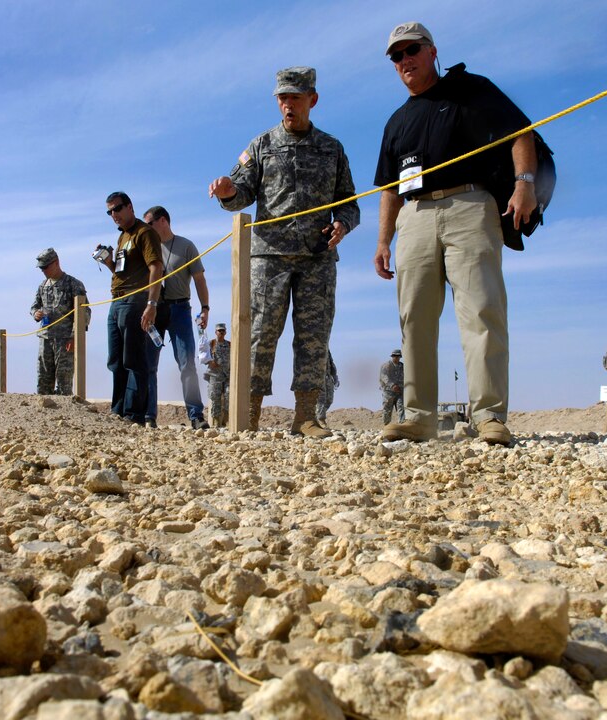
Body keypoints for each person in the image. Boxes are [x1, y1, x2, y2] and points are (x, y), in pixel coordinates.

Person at [373, 22, 537, 446]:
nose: (404, 60)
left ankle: (489, 418)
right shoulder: (396, 121)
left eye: (412, 50)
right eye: (397, 56)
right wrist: (382, 240)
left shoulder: (472, 89)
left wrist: (524, 183)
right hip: (414, 217)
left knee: (481, 309)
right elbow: (389, 188)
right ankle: (420, 417)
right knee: (414, 319)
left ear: (432, 51)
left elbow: (520, 131)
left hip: (469, 205)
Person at [209, 66, 360, 438]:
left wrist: (342, 223)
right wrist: (228, 191)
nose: (288, 104)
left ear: (313, 99)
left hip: (317, 258)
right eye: (282, 97)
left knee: (313, 336)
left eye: (295, 96)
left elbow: (350, 204)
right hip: (269, 258)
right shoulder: (261, 146)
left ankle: (306, 416)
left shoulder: (332, 148)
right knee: (260, 334)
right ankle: (249, 414)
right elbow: (239, 194)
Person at [97, 192, 163, 425]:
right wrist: (108, 263)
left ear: (130, 207)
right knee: (116, 360)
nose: (114, 214)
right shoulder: (123, 237)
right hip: (117, 301)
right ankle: (119, 411)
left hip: (135, 301)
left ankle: (134, 415)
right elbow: (121, 272)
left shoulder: (145, 233)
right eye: (110, 211)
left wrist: (151, 304)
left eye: (117, 208)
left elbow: (156, 268)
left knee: (134, 359)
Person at [142, 206, 210, 429]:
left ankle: (195, 415)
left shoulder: (186, 246)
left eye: (149, 224)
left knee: (187, 363)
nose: (146, 228)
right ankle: (149, 416)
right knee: (149, 364)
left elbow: (200, 279)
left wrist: (205, 308)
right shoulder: (146, 248)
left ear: (163, 221)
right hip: (154, 310)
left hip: (180, 309)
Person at [31, 248, 91, 396]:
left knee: (64, 383)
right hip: (45, 338)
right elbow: (34, 306)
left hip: (65, 340)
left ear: (56, 262)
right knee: (43, 381)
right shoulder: (42, 286)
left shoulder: (73, 284)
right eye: (41, 268)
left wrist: (74, 337)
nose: (43, 271)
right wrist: (35, 313)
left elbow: (84, 313)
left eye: (46, 267)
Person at [205, 322, 231, 427]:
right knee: (215, 397)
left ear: (225, 332)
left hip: (227, 375)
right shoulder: (211, 344)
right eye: (219, 330)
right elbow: (202, 356)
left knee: (229, 395)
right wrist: (210, 361)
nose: (221, 332)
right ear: (216, 332)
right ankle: (216, 420)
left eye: (223, 330)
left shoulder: (229, 344)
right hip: (215, 375)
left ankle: (226, 420)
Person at [380, 349, 406, 425]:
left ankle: (402, 426)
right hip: (389, 392)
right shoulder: (387, 365)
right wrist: (392, 385)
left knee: (401, 408)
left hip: (399, 392)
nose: (396, 357)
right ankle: (387, 427)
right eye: (394, 356)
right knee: (387, 410)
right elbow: (384, 376)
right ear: (392, 356)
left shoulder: (402, 366)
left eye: (398, 356)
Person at [316, 352, 338, 426]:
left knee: (329, 400)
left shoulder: (326, 348)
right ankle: (320, 419)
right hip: (318, 377)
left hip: (328, 377)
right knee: (321, 400)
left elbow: (331, 362)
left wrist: (335, 376)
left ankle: (317, 416)